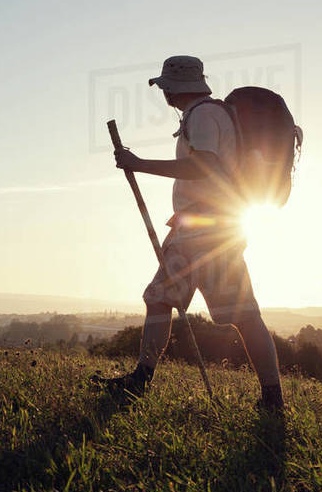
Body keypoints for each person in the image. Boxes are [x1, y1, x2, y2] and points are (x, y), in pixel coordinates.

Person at [101, 55, 284, 414]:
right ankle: (273, 397)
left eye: (165, 86)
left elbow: (204, 165)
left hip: (199, 227)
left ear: (174, 87)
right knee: (244, 316)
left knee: (159, 298)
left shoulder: (202, 115)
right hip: (222, 227)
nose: (164, 93)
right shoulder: (213, 113)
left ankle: (140, 381)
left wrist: (139, 164)